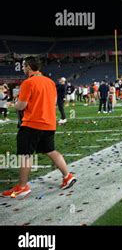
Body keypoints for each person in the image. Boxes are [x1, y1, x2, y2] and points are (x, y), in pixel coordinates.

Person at [2, 57, 76, 199]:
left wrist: (14, 104)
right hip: (49, 122)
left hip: (32, 123)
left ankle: (22, 187)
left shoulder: (28, 82)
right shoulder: (50, 82)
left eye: (24, 66)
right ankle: (67, 176)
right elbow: (53, 102)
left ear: (29, 67)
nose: (23, 68)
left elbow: (21, 106)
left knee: (26, 154)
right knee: (50, 150)